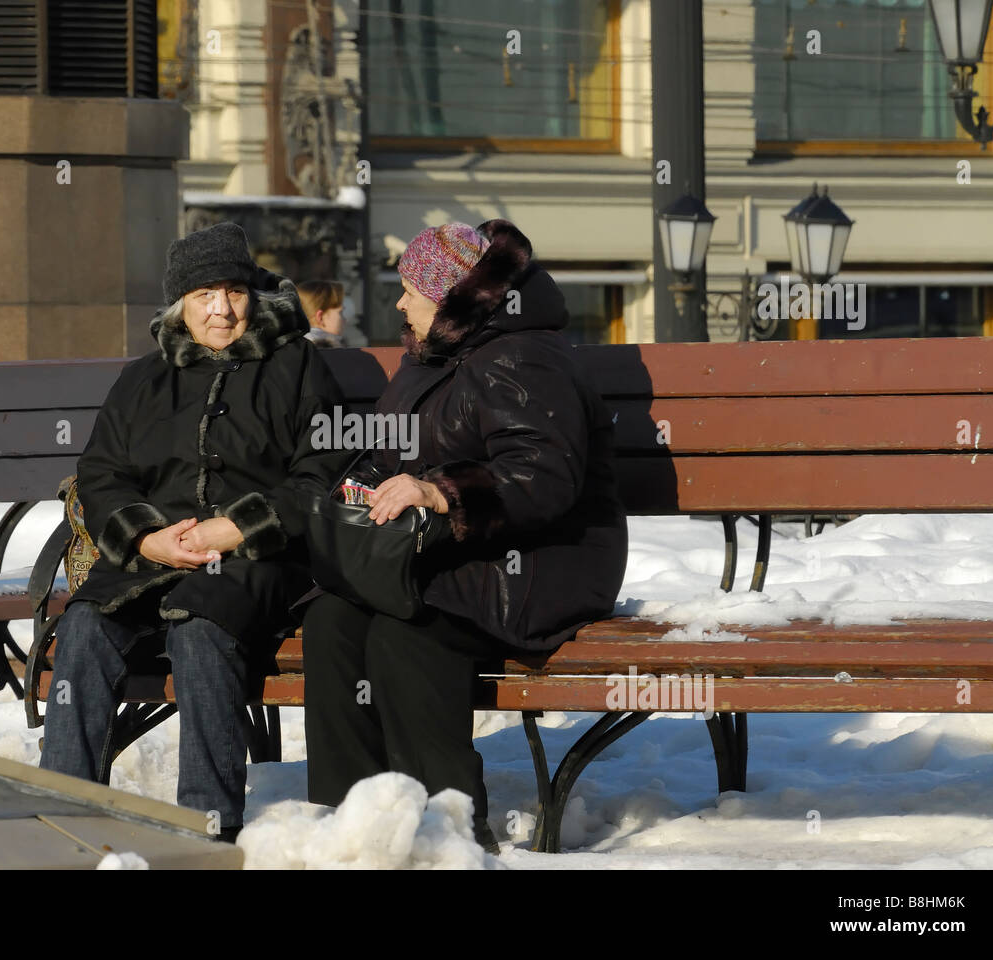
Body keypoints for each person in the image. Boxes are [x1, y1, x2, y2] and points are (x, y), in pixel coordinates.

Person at [301, 219, 628, 853]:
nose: (399, 304)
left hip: (541, 560)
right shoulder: (436, 355)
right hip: (459, 548)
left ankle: (449, 832)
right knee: (334, 619)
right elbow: (388, 449)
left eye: (410, 291)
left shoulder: (524, 357)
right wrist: (355, 487)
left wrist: (439, 492)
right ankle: (357, 824)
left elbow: (543, 477)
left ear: (450, 296)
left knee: (406, 628)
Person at [39, 221, 352, 842]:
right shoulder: (143, 378)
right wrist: (145, 538)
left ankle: (205, 824)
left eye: (234, 293)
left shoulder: (297, 367)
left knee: (202, 626)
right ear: (180, 302)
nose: (221, 310)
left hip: (254, 559)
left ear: (252, 296)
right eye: (205, 295)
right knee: (83, 625)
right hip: (150, 557)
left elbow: (322, 473)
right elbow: (102, 474)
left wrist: (233, 530)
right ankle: (63, 813)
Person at [297, 279, 346, 348]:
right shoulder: (326, 351)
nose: (345, 319)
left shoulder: (293, 347)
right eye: (340, 312)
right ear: (320, 317)